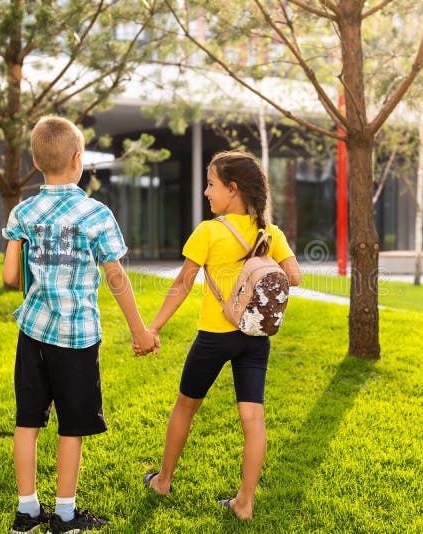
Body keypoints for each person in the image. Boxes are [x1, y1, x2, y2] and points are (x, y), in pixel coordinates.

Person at [1, 116, 158, 534]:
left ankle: (26, 511)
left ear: (35, 161)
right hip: (78, 336)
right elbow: (117, 277)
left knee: (27, 421)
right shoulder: (96, 214)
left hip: (32, 332)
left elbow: (9, 278)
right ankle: (66, 516)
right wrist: (140, 331)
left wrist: (17, 241)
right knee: (72, 425)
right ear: (77, 161)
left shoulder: (23, 212)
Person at [141, 151, 301, 520]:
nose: (206, 192)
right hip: (255, 337)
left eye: (212, 185)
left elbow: (182, 284)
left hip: (214, 336)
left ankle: (163, 481)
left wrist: (154, 327)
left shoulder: (209, 231)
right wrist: (261, 263)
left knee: (186, 405)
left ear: (233, 189)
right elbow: (294, 277)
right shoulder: (269, 233)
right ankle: (245, 503)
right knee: (253, 419)